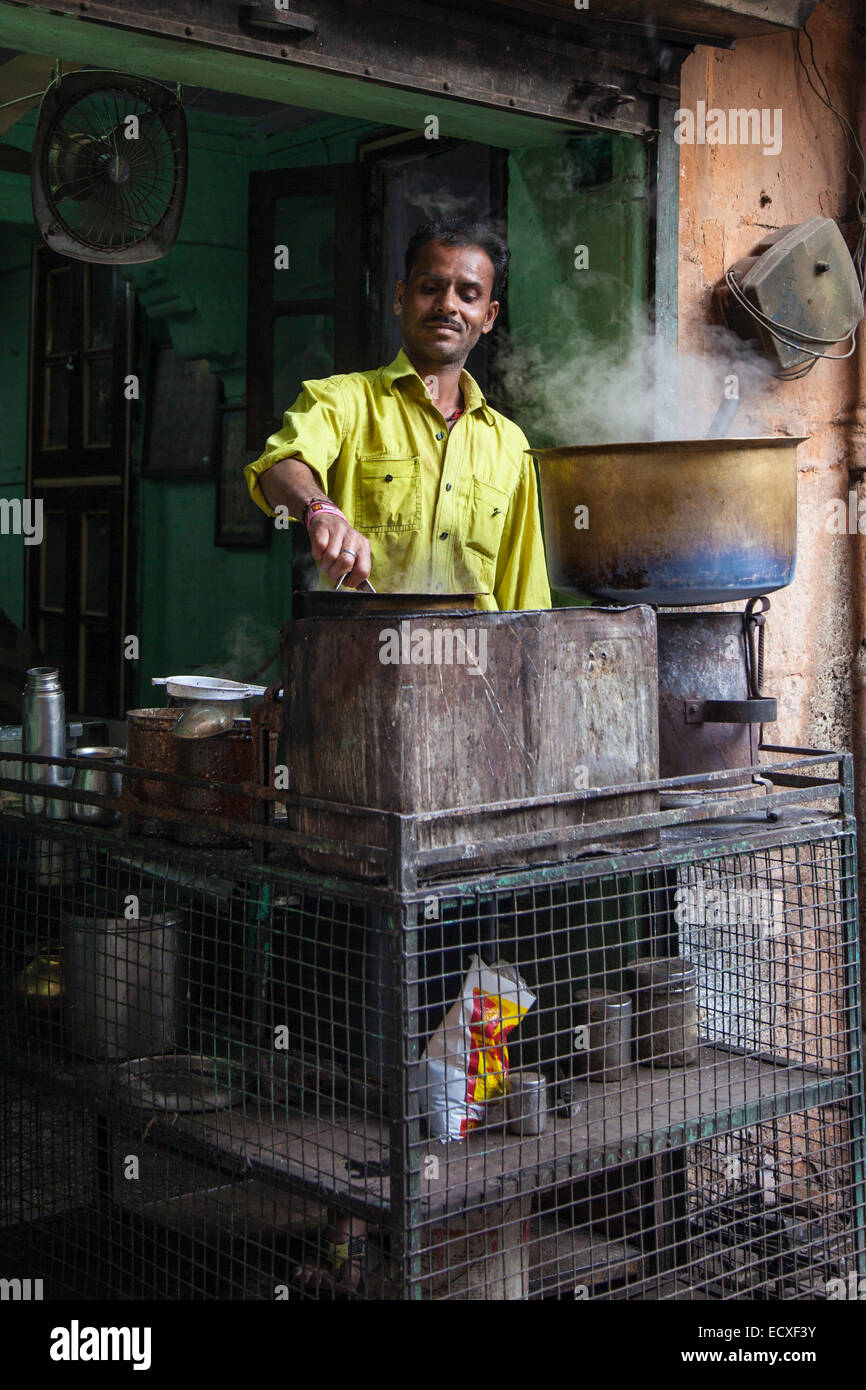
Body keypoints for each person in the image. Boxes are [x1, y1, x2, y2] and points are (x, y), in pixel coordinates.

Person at [244, 215, 551, 611]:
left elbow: (525, 596)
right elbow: (279, 465)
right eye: (430, 288)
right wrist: (321, 510)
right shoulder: (342, 400)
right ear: (401, 297)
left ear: (488, 316)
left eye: (468, 295)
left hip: (480, 667)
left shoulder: (509, 443)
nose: (447, 305)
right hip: (363, 659)